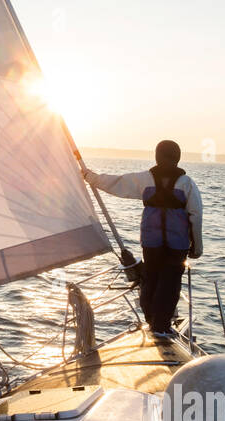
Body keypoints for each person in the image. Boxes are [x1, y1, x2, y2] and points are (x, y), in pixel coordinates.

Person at [83, 140, 202, 339]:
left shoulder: (145, 179)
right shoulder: (187, 184)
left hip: (151, 242)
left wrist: (90, 177)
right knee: (170, 283)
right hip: (177, 244)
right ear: (178, 158)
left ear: (157, 157)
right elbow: (195, 216)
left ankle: (152, 321)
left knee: (151, 279)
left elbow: (116, 183)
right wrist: (197, 247)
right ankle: (161, 326)